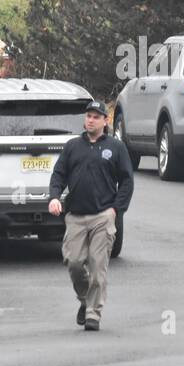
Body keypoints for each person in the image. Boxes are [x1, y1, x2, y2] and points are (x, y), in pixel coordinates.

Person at [48, 100, 134, 331]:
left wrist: (117, 209)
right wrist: (54, 197)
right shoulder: (73, 146)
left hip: (103, 215)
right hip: (75, 215)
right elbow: (58, 175)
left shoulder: (116, 147)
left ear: (106, 121)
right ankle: (86, 300)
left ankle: (93, 313)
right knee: (74, 263)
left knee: (98, 268)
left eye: (96, 116)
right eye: (88, 116)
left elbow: (127, 180)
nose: (90, 120)